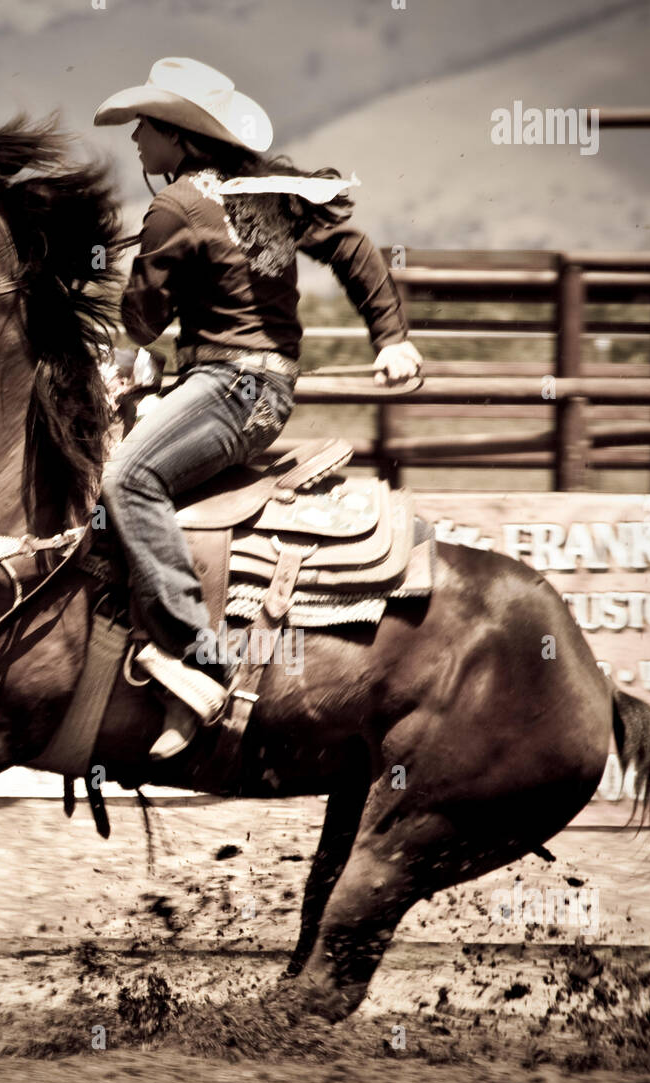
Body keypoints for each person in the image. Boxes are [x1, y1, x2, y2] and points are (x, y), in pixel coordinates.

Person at [94, 57, 422, 759]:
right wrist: (391, 339)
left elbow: (142, 320)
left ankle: (195, 657)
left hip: (228, 389)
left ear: (179, 139)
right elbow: (355, 250)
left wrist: (146, 301)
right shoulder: (267, 193)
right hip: (262, 390)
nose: (135, 142)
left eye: (145, 128)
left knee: (128, 478)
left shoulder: (175, 206)